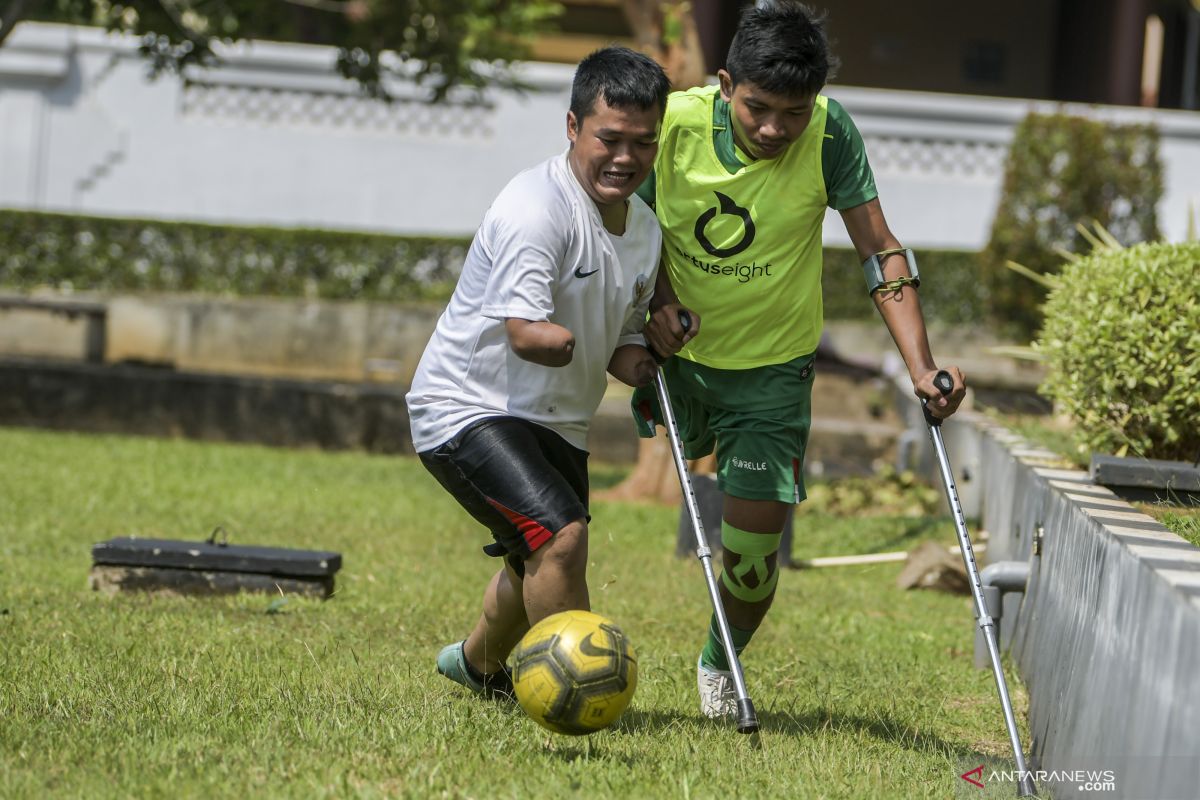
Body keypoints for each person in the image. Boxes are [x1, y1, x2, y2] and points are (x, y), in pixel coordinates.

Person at [631, 1, 968, 720]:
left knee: (751, 563)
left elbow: (880, 250)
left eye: (793, 110)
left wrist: (922, 367)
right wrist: (654, 305)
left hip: (773, 372)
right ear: (725, 84)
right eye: (758, 108)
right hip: (678, 362)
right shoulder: (676, 125)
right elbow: (626, 225)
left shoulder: (830, 131)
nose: (775, 128)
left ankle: (720, 661)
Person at [406, 46, 672, 698]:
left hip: (558, 421)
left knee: (536, 555)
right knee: (559, 538)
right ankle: (577, 694)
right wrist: (550, 339)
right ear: (573, 127)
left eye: (644, 143)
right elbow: (525, 333)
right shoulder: (535, 208)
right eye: (610, 138)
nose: (626, 158)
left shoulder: (645, 227)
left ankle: (475, 666)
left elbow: (622, 349)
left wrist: (655, 355)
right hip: (468, 409)